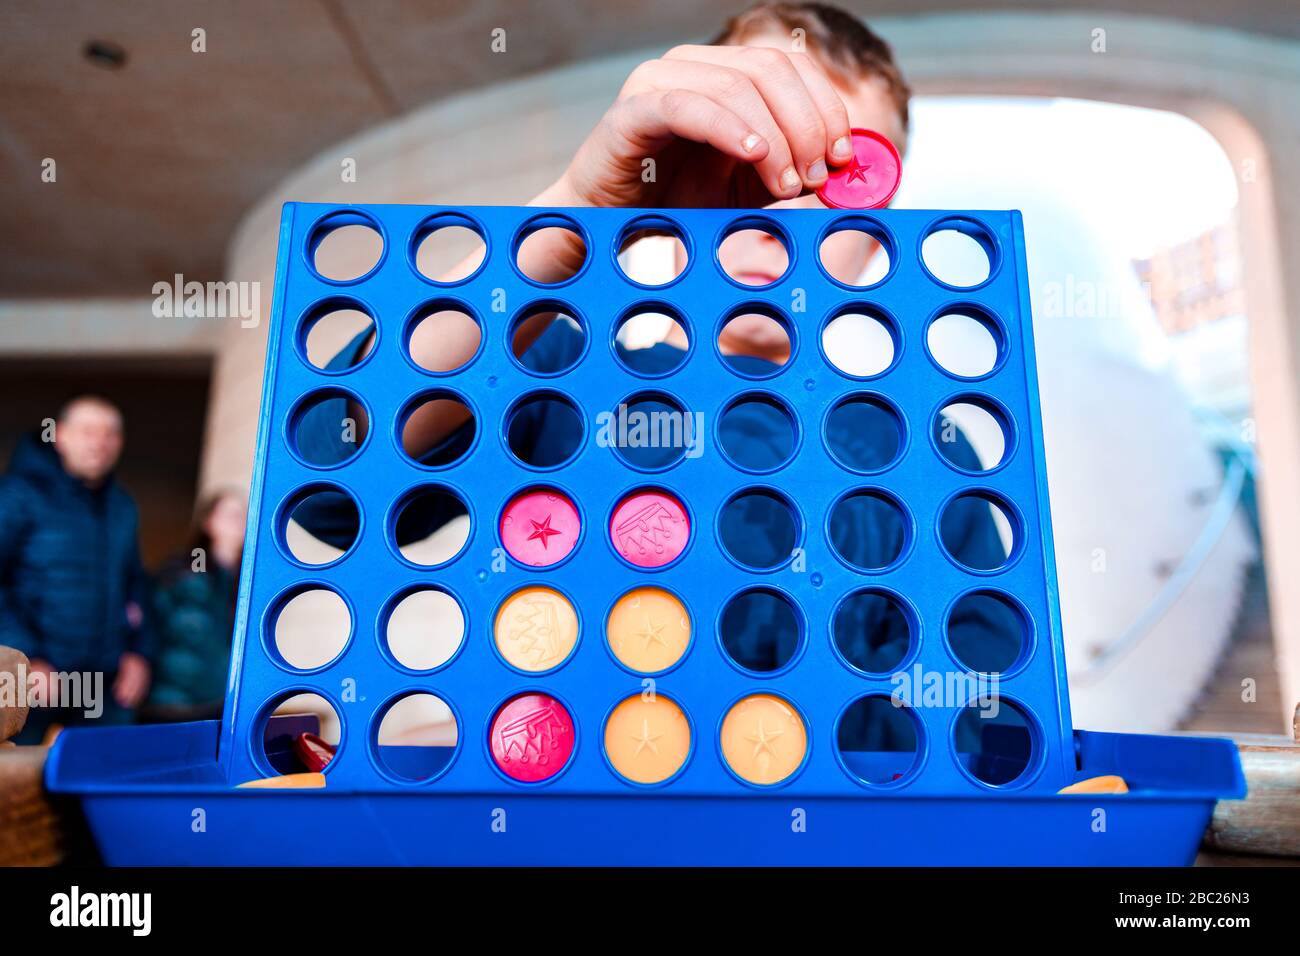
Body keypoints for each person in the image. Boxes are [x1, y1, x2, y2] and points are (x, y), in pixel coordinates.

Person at [299, 2, 1019, 751]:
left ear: (875, 231)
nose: (780, 200)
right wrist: (577, 212)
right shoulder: (561, 373)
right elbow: (331, 473)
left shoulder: (920, 443)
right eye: (747, 152)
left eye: (838, 175)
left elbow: (983, 714)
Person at [0, 395, 154, 743]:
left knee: (112, 769)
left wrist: (139, 654)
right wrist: (26, 658)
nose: (100, 443)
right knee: (16, 773)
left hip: (104, 682)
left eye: (110, 434)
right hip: (29, 677)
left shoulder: (122, 506)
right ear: (60, 436)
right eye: (88, 431)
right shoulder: (17, 495)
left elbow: (135, 584)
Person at [141, 488, 246, 723]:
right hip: (173, 703)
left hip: (218, 705)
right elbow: (150, 625)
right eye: (231, 515)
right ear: (208, 522)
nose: (239, 523)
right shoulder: (185, 574)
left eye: (244, 516)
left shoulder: (246, 583)